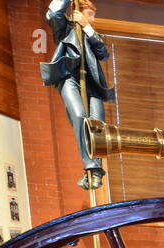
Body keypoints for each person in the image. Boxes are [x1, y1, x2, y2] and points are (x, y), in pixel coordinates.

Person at [41, 0, 115, 190]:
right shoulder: (64, 27)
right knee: (79, 117)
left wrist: (86, 25)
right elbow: (54, 12)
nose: (93, 18)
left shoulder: (91, 32)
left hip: (92, 84)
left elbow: (103, 53)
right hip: (69, 78)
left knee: (97, 125)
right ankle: (92, 167)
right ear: (77, 12)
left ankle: (94, 171)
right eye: (90, 14)